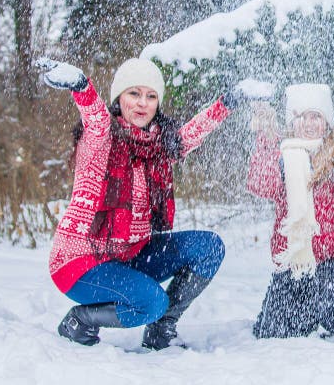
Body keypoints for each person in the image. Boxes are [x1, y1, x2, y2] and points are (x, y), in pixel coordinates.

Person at [37, 57, 241, 350]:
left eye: (151, 96)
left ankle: (161, 330)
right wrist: (82, 87)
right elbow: (95, 119)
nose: (142, 103)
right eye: (134, 93)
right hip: (81, 264)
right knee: (151, 302)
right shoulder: (101, 141)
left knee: (208, 247)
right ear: (118, 98)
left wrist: (228, 102)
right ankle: (80, 320)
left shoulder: (158, 145)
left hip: (128, 254)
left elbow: (191, 135)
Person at [246, 77, 334, 338]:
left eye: (316, 116)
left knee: (332, 310)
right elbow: (262, 183)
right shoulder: (283, 153)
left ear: (327, 122)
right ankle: (303, 318)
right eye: (301, 117)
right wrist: (266, 137)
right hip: (296, 257)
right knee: (272, 329)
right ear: (291, 122)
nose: (308, 123)